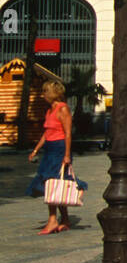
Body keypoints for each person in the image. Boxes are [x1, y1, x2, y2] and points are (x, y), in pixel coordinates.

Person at [27, 79, 87, 234]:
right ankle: (65, 219)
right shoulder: (49, 110)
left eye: (45, 92)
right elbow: (47, 134)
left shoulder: (63, 109)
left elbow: (68, 134)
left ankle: (52, 220)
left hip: (60, 149)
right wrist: (35, 150)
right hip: (50, 148)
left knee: (51, 183)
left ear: (53, 93)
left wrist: (67, 155)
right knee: (57, 184)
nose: (42, 95)